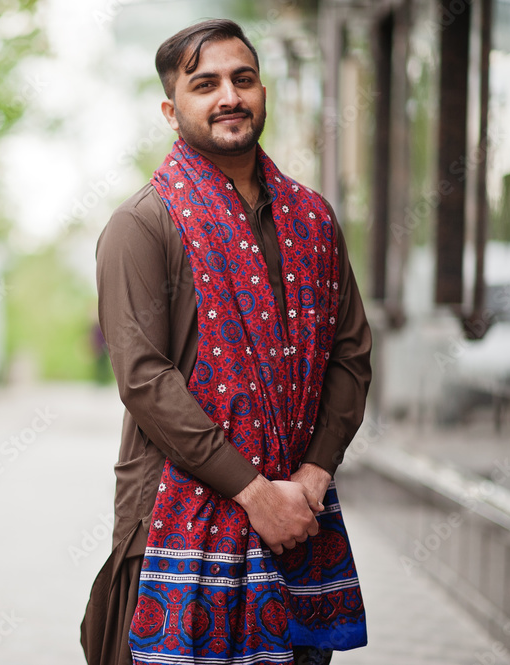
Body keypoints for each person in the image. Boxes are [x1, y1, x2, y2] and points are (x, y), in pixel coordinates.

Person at [81, 19, 372, 665]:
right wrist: (252, 491)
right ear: (171, 108)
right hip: (173, 521)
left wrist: (313, 474)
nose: (228, 96)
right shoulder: (142, 224)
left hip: (299, 513)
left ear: (262, 90)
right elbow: (144, 377)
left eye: (242, 79)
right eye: (204, 83)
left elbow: (349, 351)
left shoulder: (313, 218)